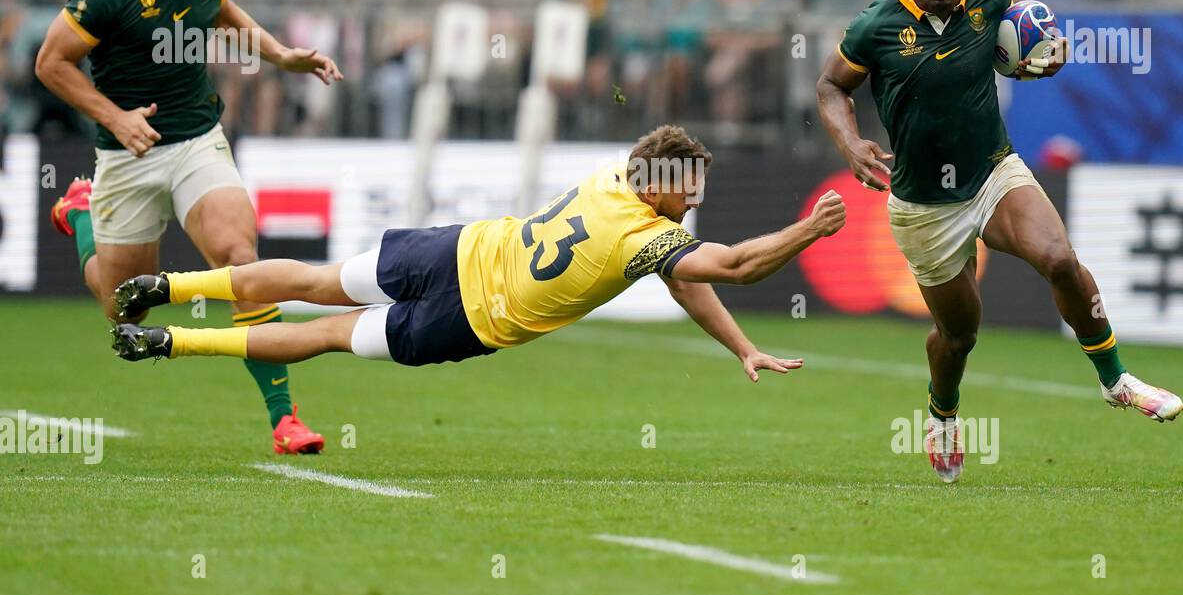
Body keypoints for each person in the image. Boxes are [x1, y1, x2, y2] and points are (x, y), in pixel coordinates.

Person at [815, 0, 1183, 484]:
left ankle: (1116, 380)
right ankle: (942, 416)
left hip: (993, 171)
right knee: (960, 334)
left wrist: (1046, 48)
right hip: (923, 204)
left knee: (1058, 257)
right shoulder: (876, 26)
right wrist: (849, 143)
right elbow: (830, 86)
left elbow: (1026, 13)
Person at [109, 126, 846, 387]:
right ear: (661, 187)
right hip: (472, 319)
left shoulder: (612, 179)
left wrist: (741, 346)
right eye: (689, 191)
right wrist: (809, 228)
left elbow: (684, 282)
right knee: (328, 331)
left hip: (456, 249)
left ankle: (167, 284)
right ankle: (169, 340)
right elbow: (735, 267)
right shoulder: (642, 234)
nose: (694, 201)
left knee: (315, 280)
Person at [36, 0, 344, 455]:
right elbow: (51, 62)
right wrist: (116, 118)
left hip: (198, 138)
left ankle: (285, 419)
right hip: (128, 154)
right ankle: (81, 214)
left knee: (239, 257)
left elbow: (220, 8)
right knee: (123, 309)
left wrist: (280, 54)